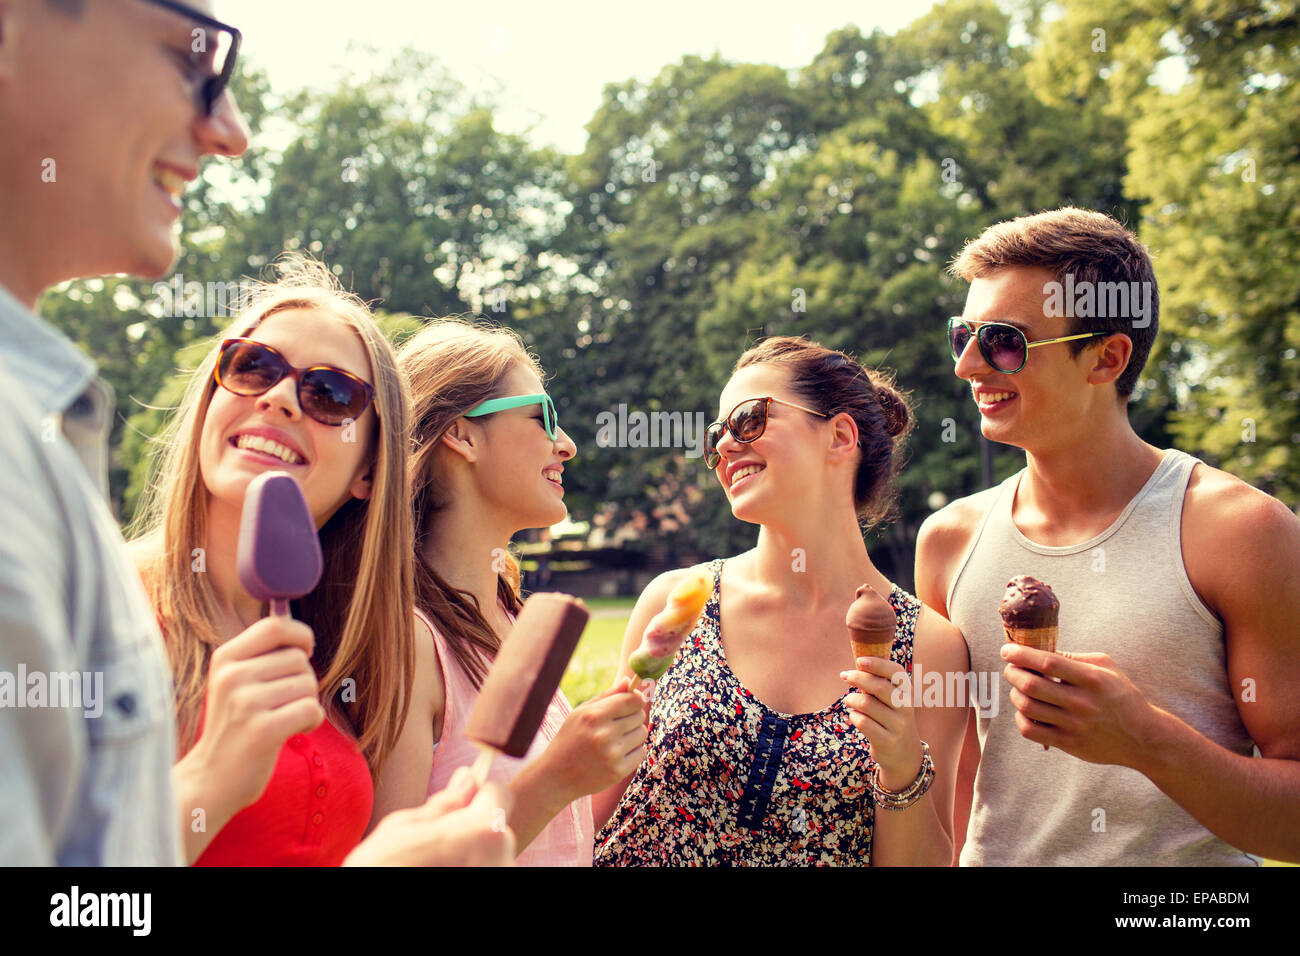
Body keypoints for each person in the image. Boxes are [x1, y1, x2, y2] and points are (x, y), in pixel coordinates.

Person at [0, 0, 507, 866]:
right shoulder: (117, 600)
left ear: (371, 471)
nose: (279, 400)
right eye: (252, 366)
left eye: (330, 393)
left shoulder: (345, 648)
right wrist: (211, 780)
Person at [916, 207, 1300, 865]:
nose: (968, 366)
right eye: (963, 336)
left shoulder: (1243, 531)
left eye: (1004, 341)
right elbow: (958, 780)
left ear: (1106, 357)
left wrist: (1146, 739)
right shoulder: (948, 541)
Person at [593, 337, 970, 865]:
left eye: (749, 420)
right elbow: (590, 814)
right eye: (715, 435)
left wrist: (902, 762)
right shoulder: (677, 601)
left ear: (840, 436)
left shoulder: (930, 646)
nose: (725, 447)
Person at [391, 318, 649, 865]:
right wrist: (556, 777)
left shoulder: (510, 616)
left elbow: (556, 838)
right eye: (543, 416)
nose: (567, 445)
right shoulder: (409, 643)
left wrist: (606, 757)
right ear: (462, 435)